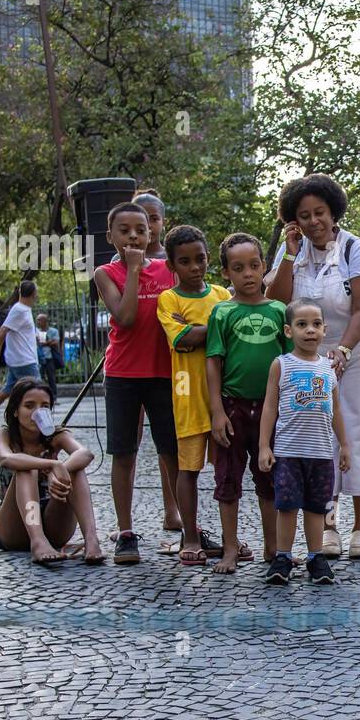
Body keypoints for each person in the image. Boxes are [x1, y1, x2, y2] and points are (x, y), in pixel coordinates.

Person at [266, 173, 360, 559]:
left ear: (333, 211)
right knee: (317, 431)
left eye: (319, 212)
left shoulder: (359, 249)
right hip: (313, 352)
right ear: (293, 219)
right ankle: (327, 522)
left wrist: (345, 353)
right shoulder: (293, 250)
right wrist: (289, 254)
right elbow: (277, 300)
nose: (312, 222)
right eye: (303, 215)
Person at [92, 202, 179, 564]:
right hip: (124, 374)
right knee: (124, 452)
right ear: (110, 235)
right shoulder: (104, 273)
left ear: (152, 232)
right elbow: (125, 317)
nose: (133, 236)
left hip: (164, 373)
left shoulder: (167, 270)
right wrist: (130, 271)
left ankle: (186, 523)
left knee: (171, 450)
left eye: (140, 229)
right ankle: (125, 531)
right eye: (124, 229)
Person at [207, 232, 291, 574]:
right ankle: (230, 548)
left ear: (264, 267)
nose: (248, 274)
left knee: (268, 478)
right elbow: (213, 362)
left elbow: (289, 363)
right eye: (238, 268)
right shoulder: (221, 313)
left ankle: (273, 547)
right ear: (227, 273)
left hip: (270, 411)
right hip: (232, 408)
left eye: (254, 266)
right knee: (227, 481)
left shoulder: (279, 311)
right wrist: (215, 411)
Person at [260, 300, 351, 586]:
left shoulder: (328, 368)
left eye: (315, 324)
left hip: (322, 454)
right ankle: (283, 557)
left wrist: (345, 445)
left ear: (325, 330)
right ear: (288, 331)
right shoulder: (281, 365)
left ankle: (316, 557)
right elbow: (269, 408)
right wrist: (265, 445)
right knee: (286, 507)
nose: (309, 330)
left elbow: (335, 410)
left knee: (317, 508)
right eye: (301, 325)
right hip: (288, 453)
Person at [156, 224, 232, 566]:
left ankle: (229, 537)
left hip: (224, 394)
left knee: (226, 469)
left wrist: (198, 331)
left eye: (200, 259)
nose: (195, 267)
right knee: (187, 469)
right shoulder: (168, 299)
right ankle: (190, 534)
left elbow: (228, 331)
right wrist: (208, 330)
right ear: (172, 266)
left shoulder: (221, 295)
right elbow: (180, 339)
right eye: (185, 262)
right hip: (186, 392)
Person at [0, 377, 104, 565]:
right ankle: (38, 542)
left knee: (75, 470)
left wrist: (59, 469)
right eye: (29, 406)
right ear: (16, 411)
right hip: (13, 526)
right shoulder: (3, 435)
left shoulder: (56, 436)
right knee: (27, 469)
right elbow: (5, 458)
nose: (37, 412)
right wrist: (50, 465)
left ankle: (91, 539)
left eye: (44, 406)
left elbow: (85, 453)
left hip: (53, 522)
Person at [0, 280, 42, 432]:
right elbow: (3, 330)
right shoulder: (19, 310)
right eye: (36, 293)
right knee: (37, 391)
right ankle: (38, 424)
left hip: (19, 359)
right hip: (24, 361)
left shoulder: (23, 309)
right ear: (33, 294)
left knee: (7, 390)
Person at [35, 312, 61, 400]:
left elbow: (56, 342)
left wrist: (45, 343)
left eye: (39, 320)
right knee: (39, 378)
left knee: (51, 378)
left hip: (50, 357)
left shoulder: (53, 331)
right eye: (37, 320)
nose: (37, 322)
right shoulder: (36, 331)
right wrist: (48, 343)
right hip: (38, 358)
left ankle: (54, 397)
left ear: (45, 321)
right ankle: (41, 396)